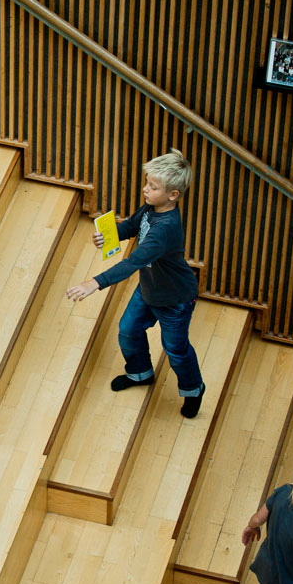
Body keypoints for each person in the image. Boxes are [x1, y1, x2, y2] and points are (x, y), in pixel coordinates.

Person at [65, 149, 205, 418]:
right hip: (150, 289)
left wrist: (94, 282)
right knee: (128, 331)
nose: (145, 189)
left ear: (173, 195)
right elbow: (132, 226)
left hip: (175, 300)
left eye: (153, 187)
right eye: (147, 183)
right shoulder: (152, 207)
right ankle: (140, 373)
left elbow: (133, 262)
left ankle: (193, 389)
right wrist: (112, 236)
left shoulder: (165, 229)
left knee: (176, 350)